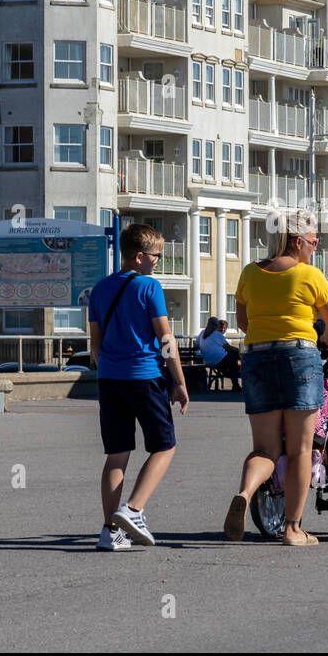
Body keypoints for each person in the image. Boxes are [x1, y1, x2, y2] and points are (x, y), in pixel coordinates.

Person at [224, 210, 328, 546]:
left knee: (265, 448)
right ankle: (292, 529)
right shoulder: (310, 275)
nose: (315, 247)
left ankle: (245, 493)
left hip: (258, 358)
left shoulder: (250, 273)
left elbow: (244, 323)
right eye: (314, 241)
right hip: (299, 357)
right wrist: (327, 340)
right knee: (302, 448)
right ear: (297, 240)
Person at [88, 224, 189, 551]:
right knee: (165, 446)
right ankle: (133, 509)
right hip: (144, 376)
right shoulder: (149, 286)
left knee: (117, 454)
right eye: (156, 255)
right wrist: (179, 381)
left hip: (109, 379)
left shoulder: (100, 289)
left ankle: (109, 532)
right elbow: (165, 338)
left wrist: (108, 365)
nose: (158, 261)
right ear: (139, 255)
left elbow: (94, 344)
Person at [196, 316, 240, 392]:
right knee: (234, 355)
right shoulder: (217, 334)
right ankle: (236, 380)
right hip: (219, 360)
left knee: (233, 358)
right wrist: (238, 350)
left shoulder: (202, 333)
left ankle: (233, 374)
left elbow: (196, 344)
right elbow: (228, 347)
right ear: (216, 325)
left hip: (208, 360)